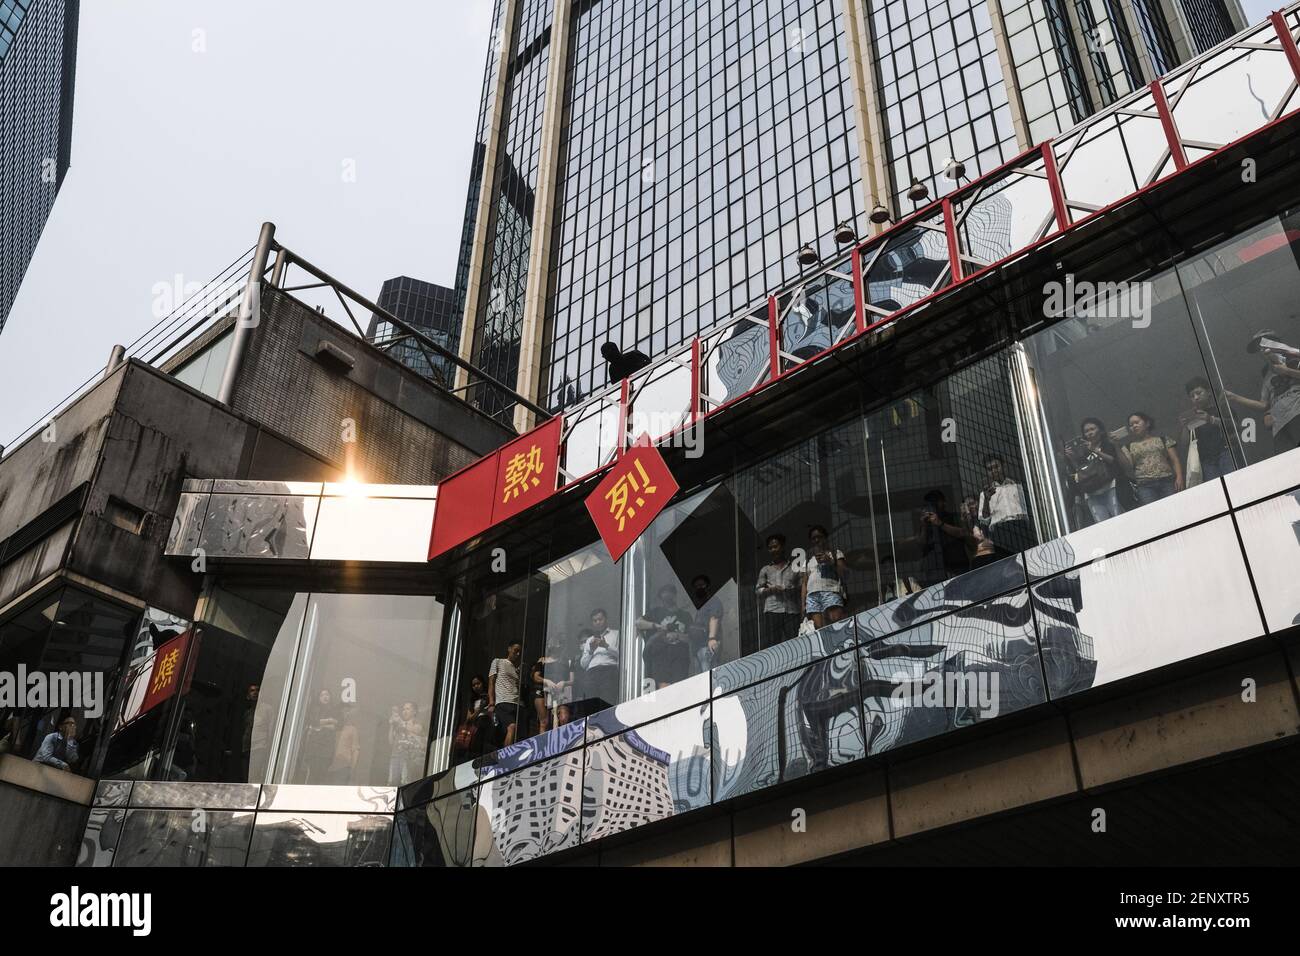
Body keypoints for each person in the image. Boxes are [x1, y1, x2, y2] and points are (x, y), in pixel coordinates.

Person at [1224, 330, 1300, 451]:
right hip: (1279, 426)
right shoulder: (1267, 377)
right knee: (1288, 464)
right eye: (1259, 348)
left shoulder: (1294, 359)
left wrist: (1286, 371)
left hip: (1297, 415)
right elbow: (1263, 404)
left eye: (1264, 345)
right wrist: (1235, 397)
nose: (1262, 350)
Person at [1065, 418, 1126, 523]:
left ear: (1101, 431)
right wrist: (1071, 458)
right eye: (1086, 431)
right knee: (1102, 525)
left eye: (1092, 429)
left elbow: (1112, 460)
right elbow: (1080, 471)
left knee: (1120, 519)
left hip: (1111, 487)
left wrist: (1094, 450)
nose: (1089, 433)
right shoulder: (1083, 450)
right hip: (1092, 493)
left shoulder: (1108, 444)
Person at [1119, 411, 1183, 505]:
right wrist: (1117, 446)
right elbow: (1128, 466)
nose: (1134, 426)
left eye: (1137, 422)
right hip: (1145, 486)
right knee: (1153, 513)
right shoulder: (1128, 446)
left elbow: (1175, 459)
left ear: (1147, 423)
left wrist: (1179, 477)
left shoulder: (1163, 439)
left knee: (1173, 507)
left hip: (1167, 481)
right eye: (1131, 425)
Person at [1179, 377, 1236, 482]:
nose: (1196, 397)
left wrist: (1211, 419)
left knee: (1233, 482)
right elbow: (1185, 443)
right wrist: (1184, 427)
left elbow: (1235, 425)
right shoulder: (1193, 416)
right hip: (1206, 460)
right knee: (1217, 488)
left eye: (1198, 393)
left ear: (1209, 392)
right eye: (1192, 396)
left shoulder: (1221, 407)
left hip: (1226, 453)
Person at [639, 585, 695, 688]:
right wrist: (657, 627)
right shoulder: (655, 613)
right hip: (660, 658)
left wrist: (677, 635)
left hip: (679, 659)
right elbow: (638, 623)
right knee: (662, 689)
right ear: (661, 599)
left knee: (678, 689)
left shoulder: (685, 615)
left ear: (675, 595)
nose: (667, 599)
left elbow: (692, 638)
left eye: (669, 595)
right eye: (664, 597)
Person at [977, 456, 1035, 553]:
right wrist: (987, 500)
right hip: (1000, 531)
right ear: (987, 472)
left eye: (996, 467)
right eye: (990, 469)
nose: (994, 470)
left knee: (1029, 558)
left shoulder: (1018, 486)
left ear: (1004, 466)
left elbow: (1030, 509)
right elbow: (985, 519)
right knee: (1008, 562)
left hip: (1020, 525)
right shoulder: (985, 494)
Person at [913, 490, 971, 583]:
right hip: (937, 571)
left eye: (936, 502)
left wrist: (940, 523)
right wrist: (923, 526)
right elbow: (921, 545)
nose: (933, 505)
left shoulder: (952, 516)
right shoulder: (926, 523)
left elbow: (962, 533)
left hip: (958, 565)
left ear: (944, 502)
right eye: (929, 504)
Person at [755, 533, 801, 649]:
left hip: (791, 610)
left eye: (775, 546)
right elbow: (758, 591)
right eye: (770, 548)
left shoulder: (794, 567)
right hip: (772, 610)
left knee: (794, 642)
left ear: (783, 547)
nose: (773, 550)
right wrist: (771, 590)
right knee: (773, 644)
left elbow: (802, 586)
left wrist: (790, 589)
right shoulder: (765, 569)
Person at [802, 525, 849, 630]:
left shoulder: (835, 553)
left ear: (826, 537)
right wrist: (803, 605)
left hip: (830, 590)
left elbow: (844, 573)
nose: (816, 540)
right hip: (812, 595)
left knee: (836, 622)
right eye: (813, 538)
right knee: (818, 628)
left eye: (819, 536)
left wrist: (830, 562)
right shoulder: (810, 560)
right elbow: (805, 583)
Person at [578, 610, 619, 713]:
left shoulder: (616, 634)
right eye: (595, 620)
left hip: (609, 670)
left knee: (607, 702)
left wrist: (606, 646)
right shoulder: (589, 640)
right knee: (591, 704)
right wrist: (591, 650)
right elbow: (583, 664)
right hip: (592, 673)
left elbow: (622, 655)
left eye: (600, 619)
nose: (597, 622)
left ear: (606, 619)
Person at [488, 643, 523, 747]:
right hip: (503, 702)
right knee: (511, 727)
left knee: (516, 733)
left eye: (519, 652)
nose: (517, 654)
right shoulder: (498, 661)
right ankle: (506, 757)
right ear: (509, 649)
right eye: (516, 650)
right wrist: (491, 702)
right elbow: (491, 682)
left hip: (517, 704)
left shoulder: (516, 670)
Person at [302, 689, 339, 784]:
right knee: (312, 775)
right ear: (318, 698)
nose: (325, 696)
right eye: (322, 695)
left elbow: (336, 726)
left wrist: (321, 724)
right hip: (314, 748)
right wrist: (329, 720)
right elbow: (313, 722)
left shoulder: (334, 710)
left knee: (322, 776)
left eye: (327, 694)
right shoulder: (315, 709)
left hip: (326, 749)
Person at [691, 575, 726, 672]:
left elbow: (714, 618)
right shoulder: (701, 606)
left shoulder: (713, 601)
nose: (699, 588)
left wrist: (712, 638)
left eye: (702, 585)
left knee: (708, 676)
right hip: (699, 647)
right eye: (697, 586)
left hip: (707, 645)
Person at [388, 701, 423, 784]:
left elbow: (415, 731)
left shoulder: (418, 724)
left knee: (405, 781)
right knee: (392, 781)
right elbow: (391, 741)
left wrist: (400, 722)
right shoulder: (399, 725)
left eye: (407, 709)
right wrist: (392, 725)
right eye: (403, 709)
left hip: (408, 757)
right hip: (395, 756)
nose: (404, 711)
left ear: (414, 712)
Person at [330, 707, 361, 784]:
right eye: (343, 712)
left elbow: (355, 750)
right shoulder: (333, 728)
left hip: (343, 766)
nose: (345, 715)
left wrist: (352, 769)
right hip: (329, 766)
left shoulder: (352, 729)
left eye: (347, 712)